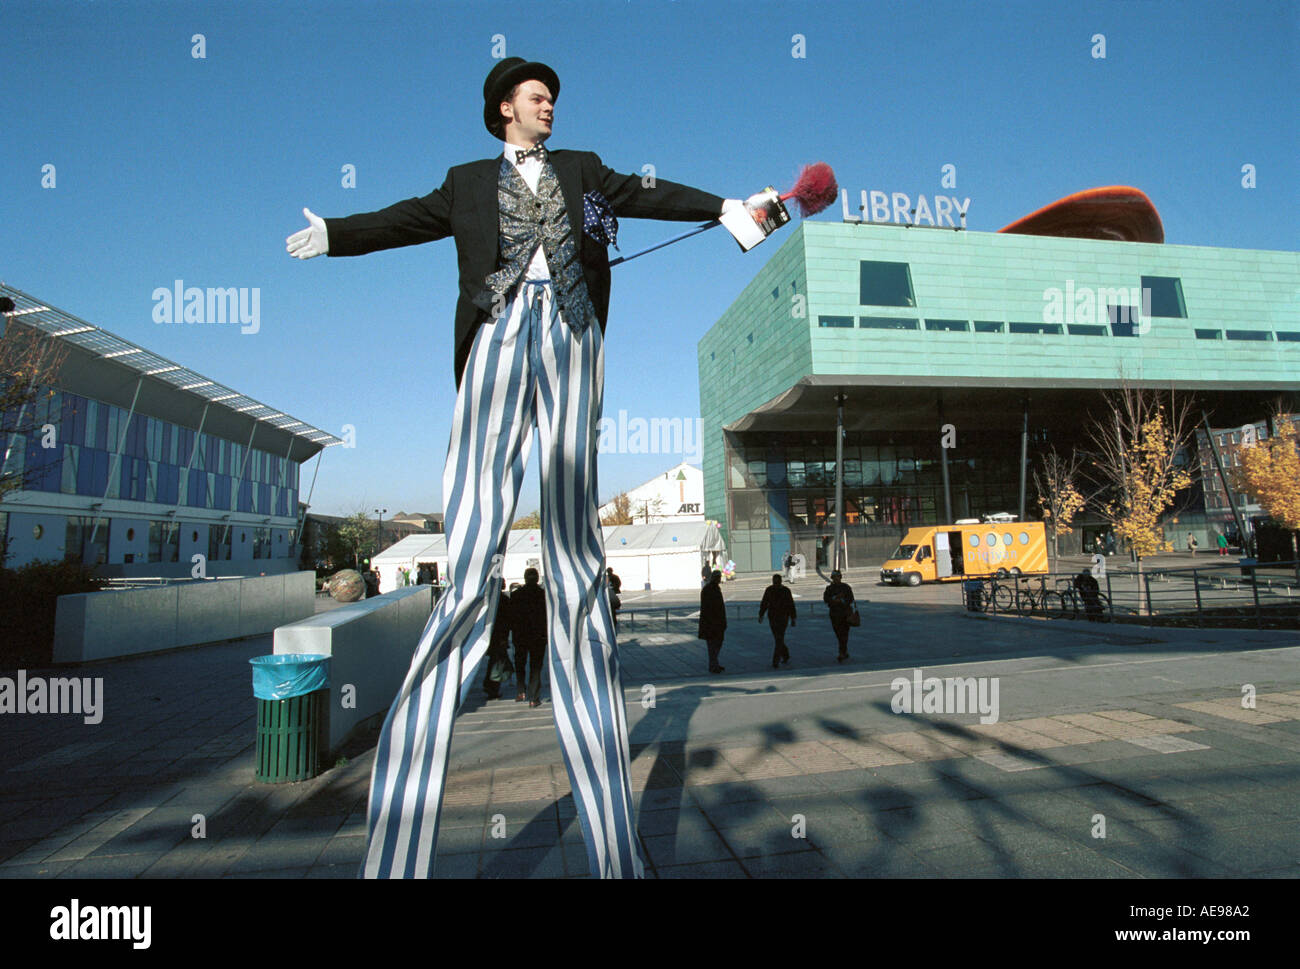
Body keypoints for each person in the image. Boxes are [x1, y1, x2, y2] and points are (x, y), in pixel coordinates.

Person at [287, 56, 757, 880]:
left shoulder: (583, 171)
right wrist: (335, 235)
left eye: (554, 99)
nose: (552, 107)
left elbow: (645, 197)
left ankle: (618, 860)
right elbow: (403, 220)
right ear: (505, 107)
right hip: (498, 338)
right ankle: (394, 861)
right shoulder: (465, 181)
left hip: (573, 339)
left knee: (576, 559)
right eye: (539, 97)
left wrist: (723, 207)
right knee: (469, 565)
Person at [510, 567, 548, 707]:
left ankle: (521, 691)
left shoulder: (516, 595)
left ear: (525, 578)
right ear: (537, 579)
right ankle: (533, 697)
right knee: (535, 667)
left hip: (520, 636)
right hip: (538, 636)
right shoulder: (543, 595)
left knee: (520, 664)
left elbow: (511, 618)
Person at [482, 580, 513, 699]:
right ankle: (492, 686)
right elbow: (508, 619)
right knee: (497, 663)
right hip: (501, 635)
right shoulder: (504, 600)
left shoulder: (489, 601)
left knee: (495, 661)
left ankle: (490, 685)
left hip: (492, 634)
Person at [758, 573, 796, 669]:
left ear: (780, 581)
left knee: (779, 638)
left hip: (783, 617)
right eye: (774, 581)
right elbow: (764, 603)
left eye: (777, 581)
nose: (775, 583)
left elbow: (791, 604)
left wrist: (793, 618)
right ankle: (785, 654)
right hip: (773, 617)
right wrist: (761, 614)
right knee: (778, 638)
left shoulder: (786, 590)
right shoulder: (769, 590)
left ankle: (776, 660)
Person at [698, 569, 727, 674]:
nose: (720, 579)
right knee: (713, 645)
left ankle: (714, 663)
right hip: (712, 623)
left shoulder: (713, 589)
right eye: (718, 577)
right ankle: (713, 665)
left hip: (715, 622)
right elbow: (710, 608)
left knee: (716, 644)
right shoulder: (709, 589)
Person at [823, 569, 855, 663]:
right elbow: (826, 599)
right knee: (838, 633)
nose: (836, 579)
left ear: (840, 577)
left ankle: (842, 652)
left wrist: (842, 600)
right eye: (834, 577)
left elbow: (851, 599)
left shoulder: (846, 587)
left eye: (837, 577)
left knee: (844, 633)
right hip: (834, 614)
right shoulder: (829, 588)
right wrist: (834, 599)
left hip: (845, 613)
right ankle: (843, 651)